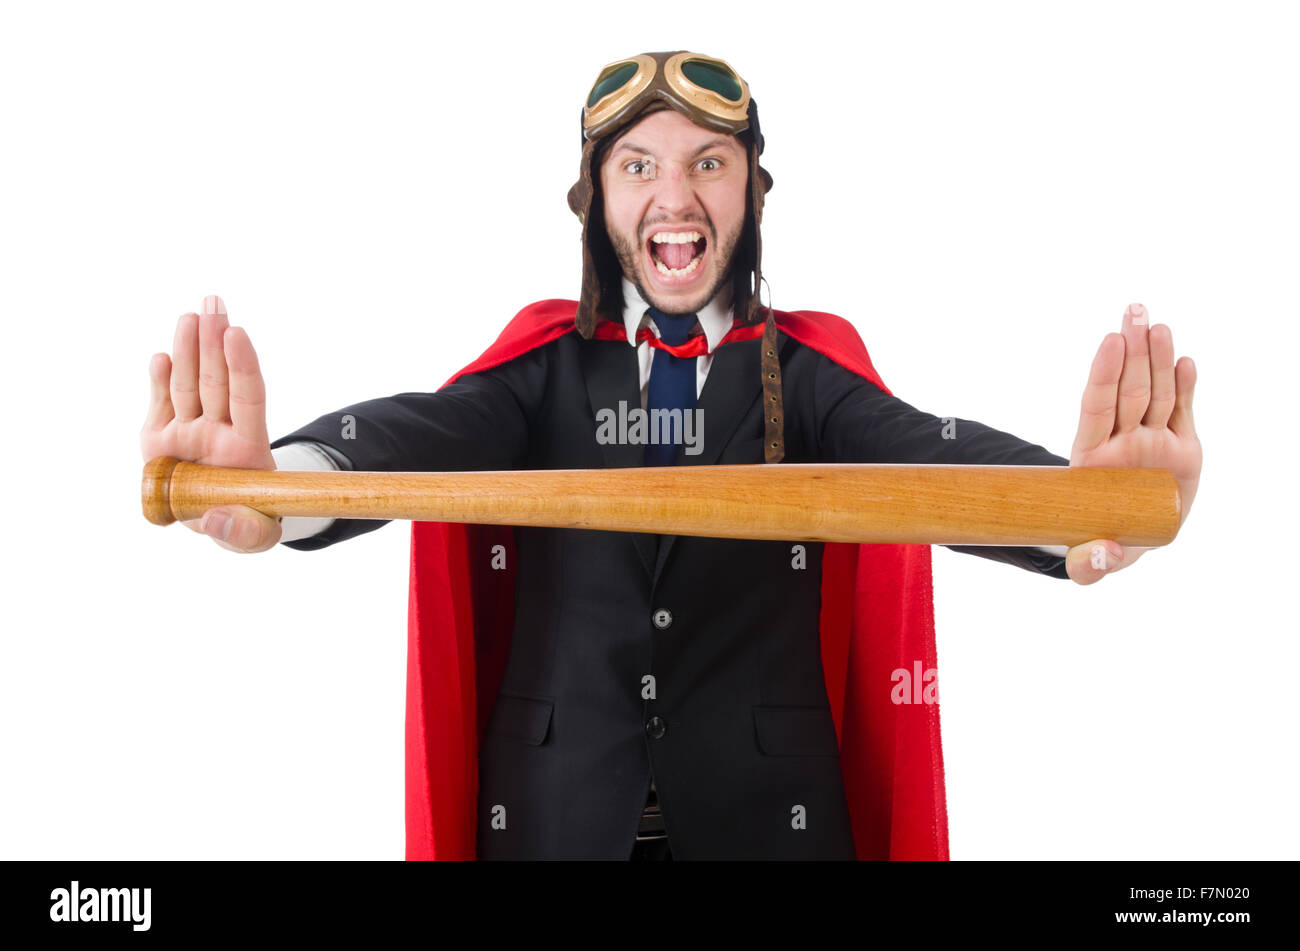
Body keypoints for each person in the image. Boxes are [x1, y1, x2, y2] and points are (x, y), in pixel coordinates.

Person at [140, 51, 1202, 860]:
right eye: (637, 165)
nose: (675, 194)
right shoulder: (541, 373)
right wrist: (275, 488)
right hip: (555, 818)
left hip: (768, 821)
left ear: (750, 193)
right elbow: (425, 433)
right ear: (598, 203)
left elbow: (924, 457)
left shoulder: (809, 377)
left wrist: (1081, 509)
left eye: (709, 164)